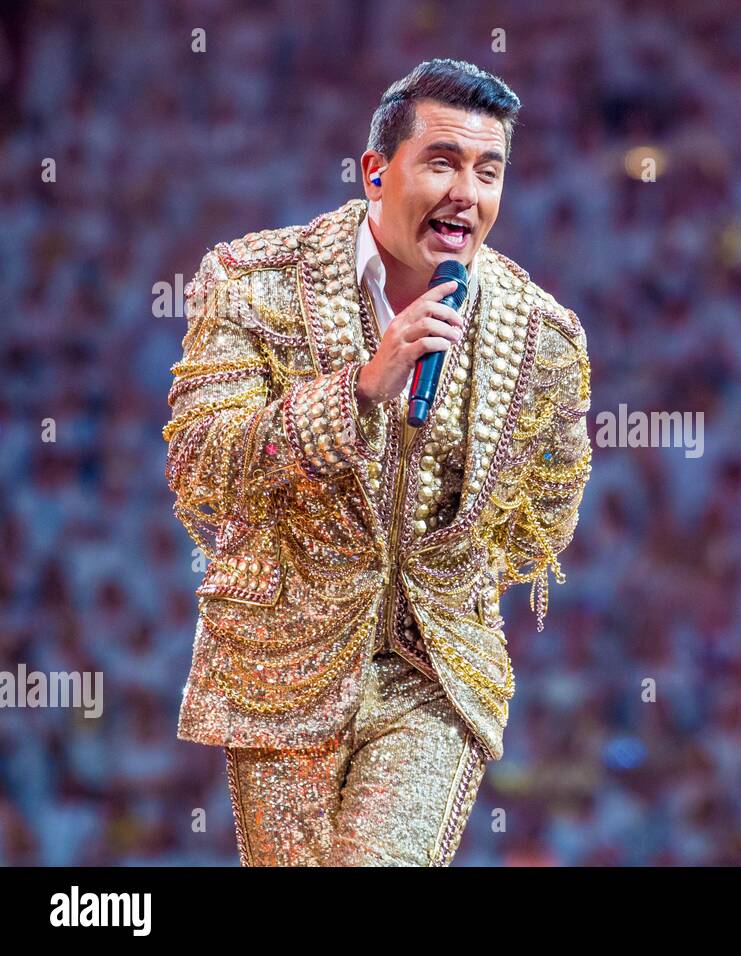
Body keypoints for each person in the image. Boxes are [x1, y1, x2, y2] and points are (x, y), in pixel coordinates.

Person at [161, 58, 592, 865]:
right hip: (281, 664)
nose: (467, 192)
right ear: (375, 172)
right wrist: (356, 391)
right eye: (442, 162)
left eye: (488, 171)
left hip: (434, 674)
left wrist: (442, 576)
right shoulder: (254, 283)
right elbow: (199, 462)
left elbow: (549, 512)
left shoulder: (545, 337)